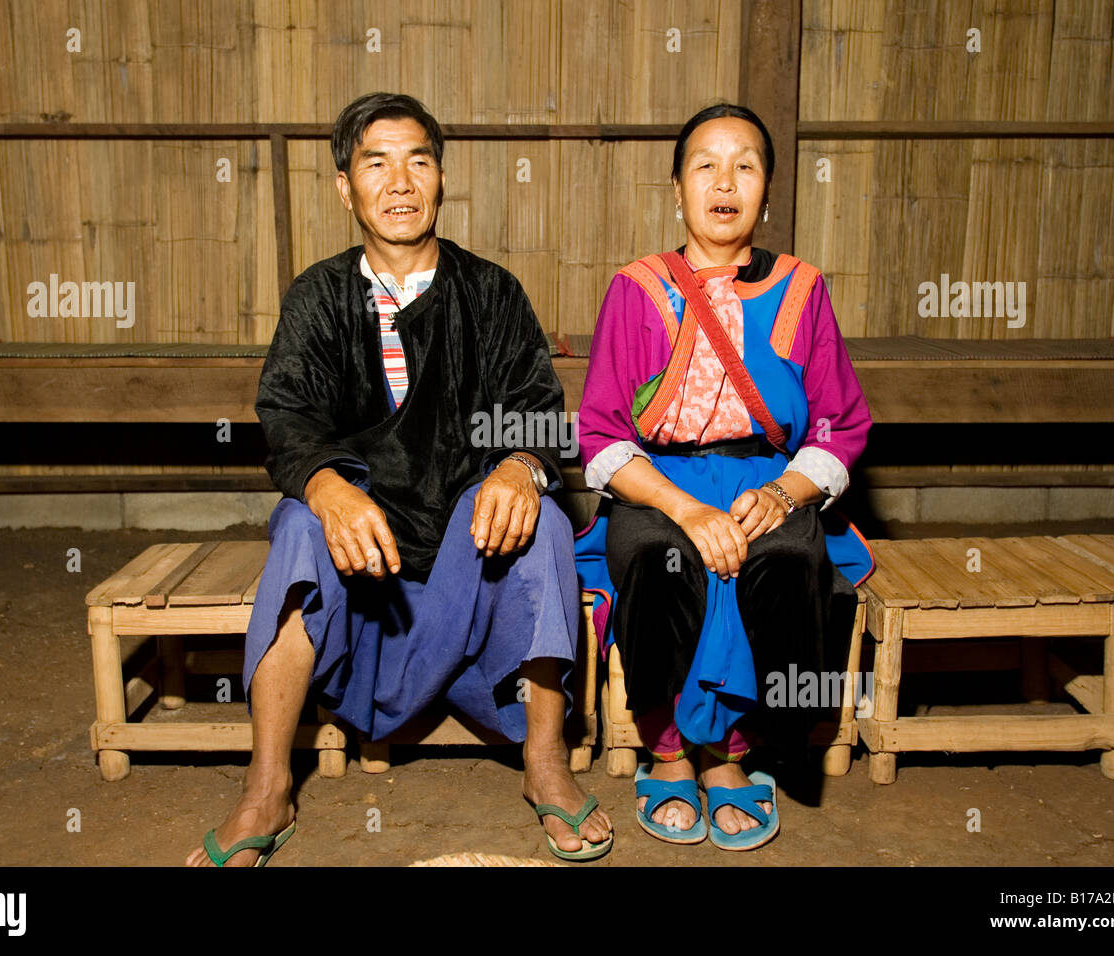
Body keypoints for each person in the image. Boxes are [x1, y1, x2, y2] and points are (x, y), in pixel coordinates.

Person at [187, 92, 612, 866]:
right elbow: (286, 414)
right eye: (375, 163)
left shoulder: (490, 293)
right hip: (366, 572)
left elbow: (539, 413)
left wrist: (520, 466)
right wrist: (325, 485)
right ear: (346, 187)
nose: (400, 181)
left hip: (467, 557)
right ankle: (268, 786)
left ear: (442, 178)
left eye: (418, 160)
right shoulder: (319, 298)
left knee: (548, 520)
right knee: (297, 528)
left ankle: (544, 764)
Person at [574, 103, 873, 851]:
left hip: (769, 477)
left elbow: (841, 426)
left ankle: (734, 756)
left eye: (746, 164)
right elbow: (603, 436)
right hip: (658, 481)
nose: (725, 180)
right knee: (657, 557)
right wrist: (684, 508)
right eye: (705, 164)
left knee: (785, 559)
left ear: (767, 193)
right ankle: (669, 749)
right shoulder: (636, 290)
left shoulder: (803, 288)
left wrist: (782, 494)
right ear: (677, 189)